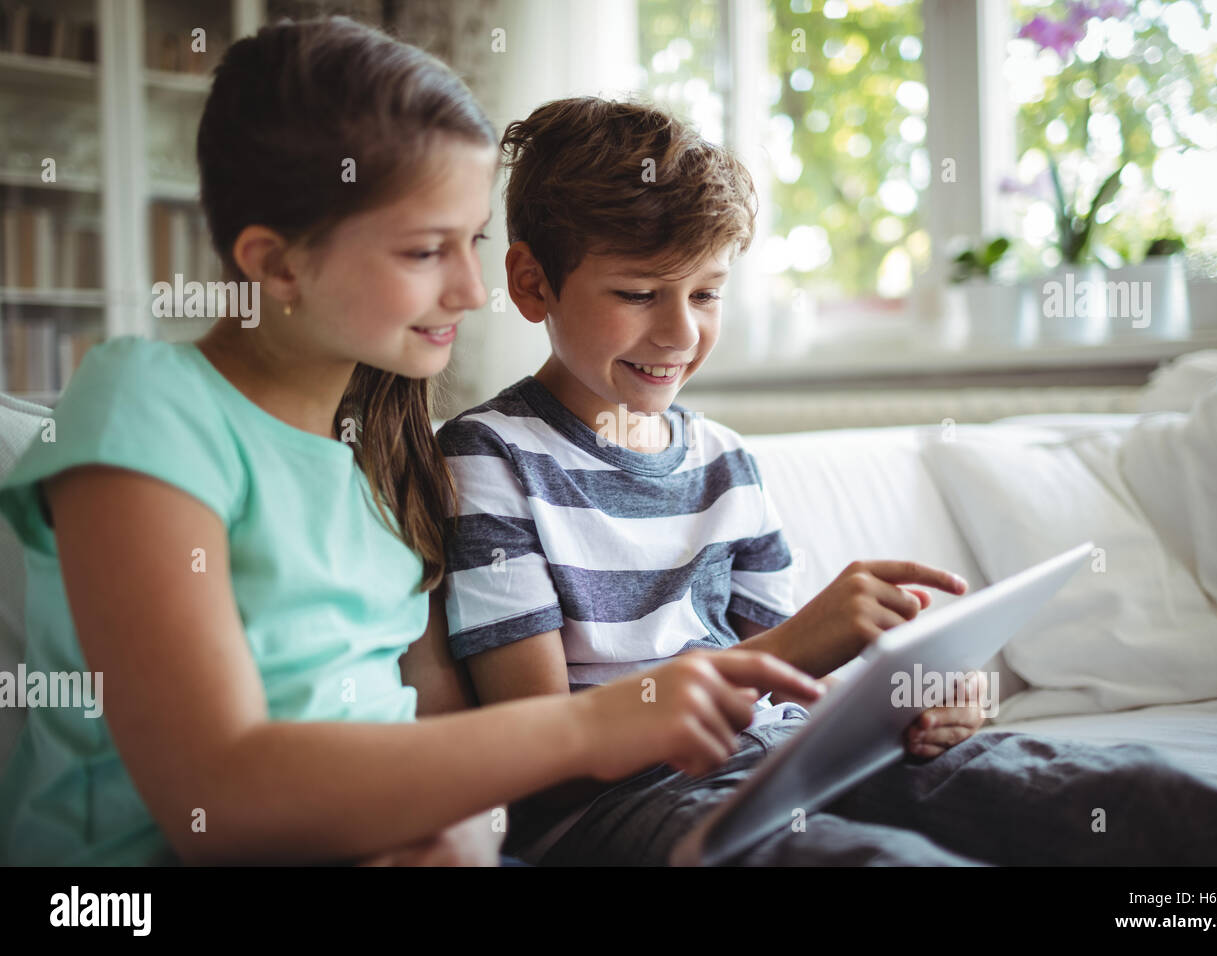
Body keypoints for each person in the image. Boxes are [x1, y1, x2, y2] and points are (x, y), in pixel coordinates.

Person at [0, 18, 822, 867]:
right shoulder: (146, 405)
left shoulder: (391, 468)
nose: (472, 289)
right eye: (427, 250)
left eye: (471, 242)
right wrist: (589, 725)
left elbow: (457, 758)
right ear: (276, 266)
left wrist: (460, 839)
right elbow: (220, 793)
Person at [434, 97, 987, 866]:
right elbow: (541, 760)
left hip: (788, 762)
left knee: (1099, 791)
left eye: (706, 293)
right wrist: (795, 647)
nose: (681, 334)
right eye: (637, 294)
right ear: (532, 284)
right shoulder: (490, 459)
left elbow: (792, 691)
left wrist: (907, 702)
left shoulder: (728, 462)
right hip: (626, 808)